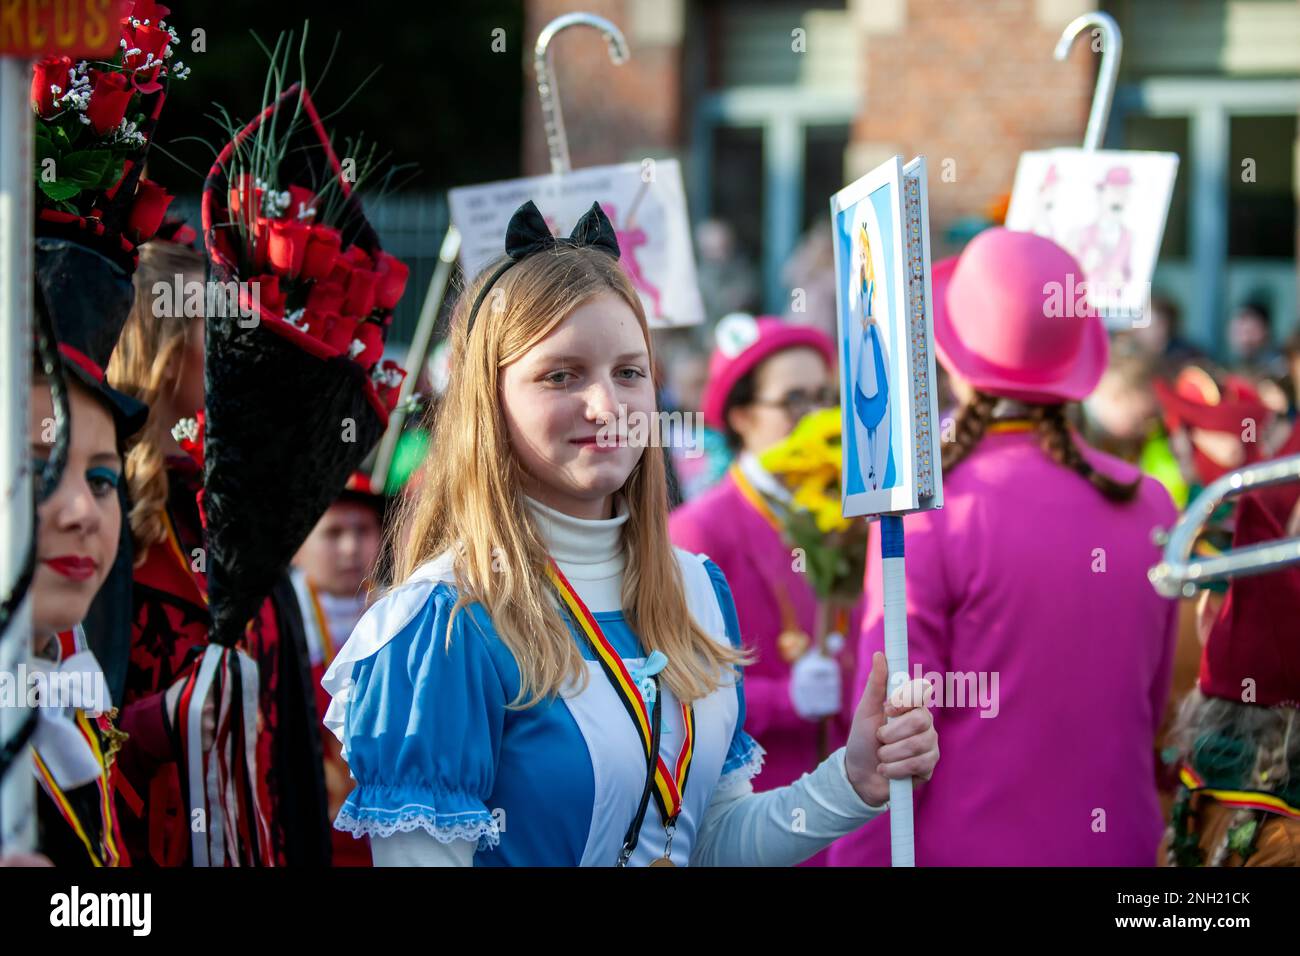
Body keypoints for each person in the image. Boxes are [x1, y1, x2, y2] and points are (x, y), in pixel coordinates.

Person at [323, 201, 940, 866]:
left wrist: (851, 781)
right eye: (562, 375)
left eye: (629, 372)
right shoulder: (440, 622)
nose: (608, 406)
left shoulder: (698, 588)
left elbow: (708, 840)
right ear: (489, 402)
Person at [829, 228, 1179, 866]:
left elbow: (890, 743)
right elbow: (1152, 708)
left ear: (951, 356)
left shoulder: (927, 513)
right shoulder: (1150, 501)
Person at [668, 313, 862, 868]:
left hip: (843, 807)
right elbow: (682, 693)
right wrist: (785, 700)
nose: (818, 415)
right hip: (755, 818)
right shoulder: (699, 529)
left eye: (826, 397)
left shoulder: (842, 514)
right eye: (795, 399)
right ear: (743, 416)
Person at [291, 473, 386, 866]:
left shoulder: (406, 615)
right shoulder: (270, 629)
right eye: (332, 533)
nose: (350, 548)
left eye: (362, 530)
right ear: (296, 546)